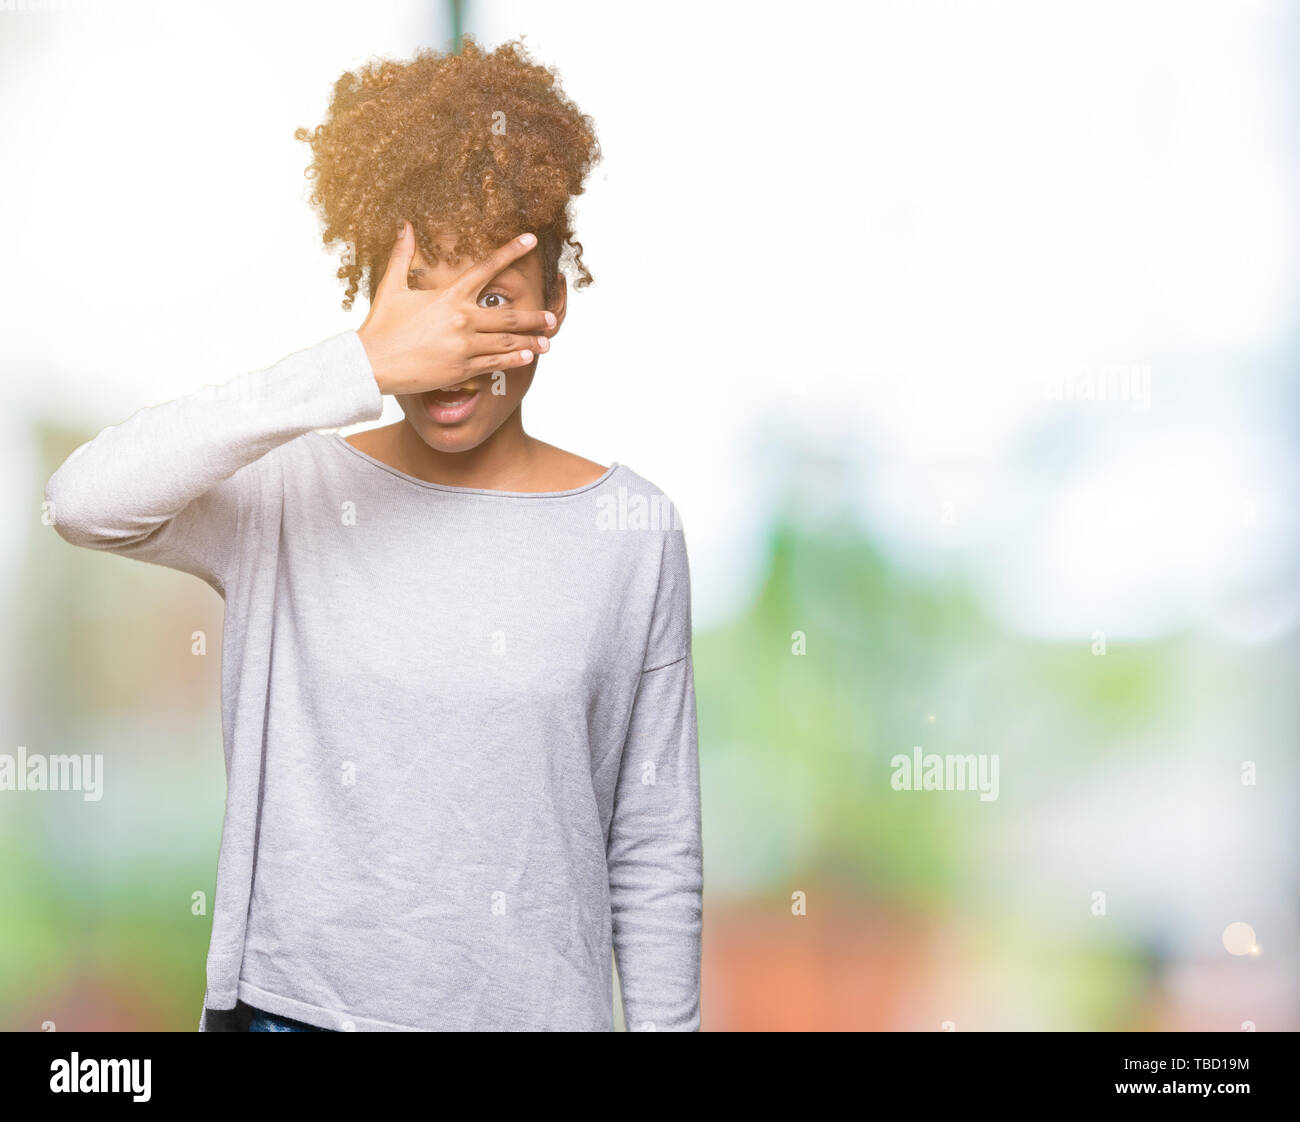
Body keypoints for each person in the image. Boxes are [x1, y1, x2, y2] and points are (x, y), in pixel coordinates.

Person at [45, 37, 702, 1032]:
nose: (453, 347)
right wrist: (353, 367)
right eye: (421, 296)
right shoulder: (290, 491)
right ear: (370, 301)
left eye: (491, 300)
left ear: (553, 305)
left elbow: (652, 844)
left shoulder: (631, 532)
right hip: (291, 1017)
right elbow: (86, 500)